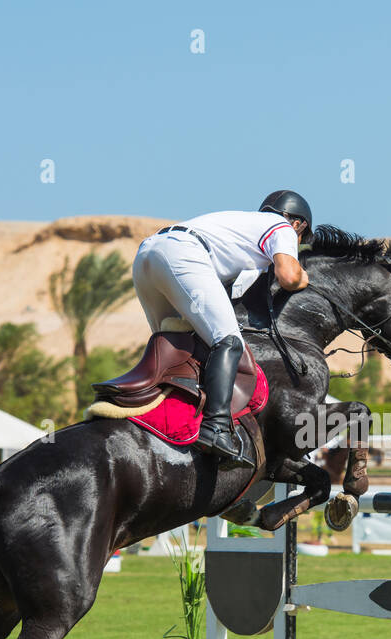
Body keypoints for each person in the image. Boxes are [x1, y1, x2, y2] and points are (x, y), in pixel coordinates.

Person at [132, 190, 313, 469]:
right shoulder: (282, 227)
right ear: (298, 224)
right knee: (228, 340)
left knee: (175, 346)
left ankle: (157, 418)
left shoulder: (243, 230)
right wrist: (303, 278)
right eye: (300, 240)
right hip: (183, 254)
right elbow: (288, 276)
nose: (296, 244)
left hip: (148, 254)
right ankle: (215, 428)